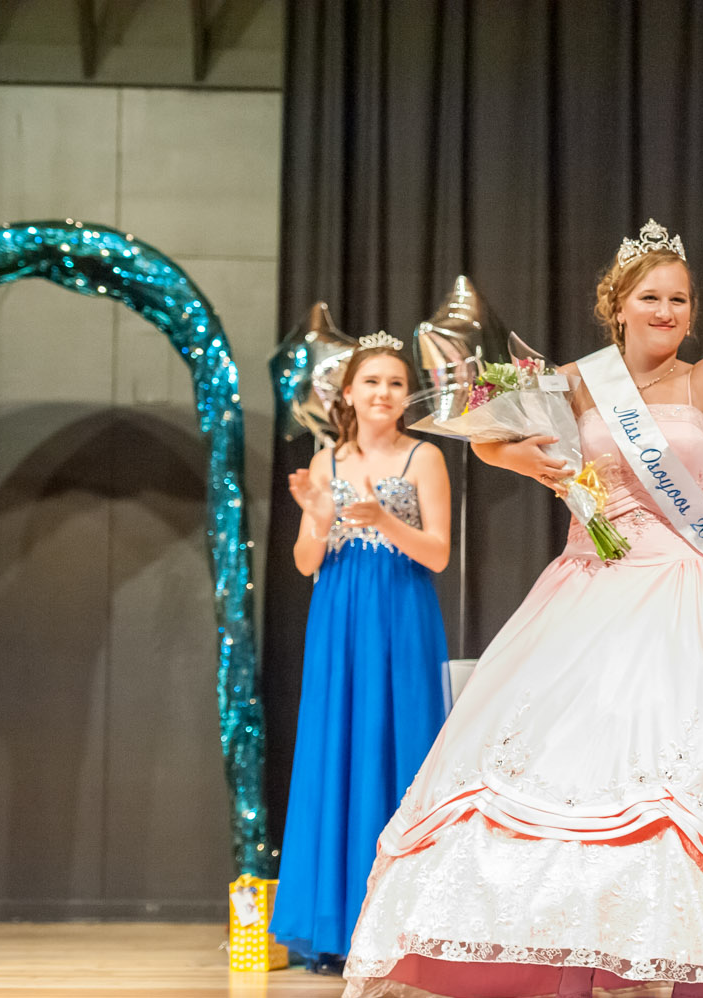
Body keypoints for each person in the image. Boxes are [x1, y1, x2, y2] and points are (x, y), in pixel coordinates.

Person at [341, 200, 703, 998]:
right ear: (618, 304)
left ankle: (688, 973)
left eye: (681, 299)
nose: (668, 311)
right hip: (590, 594)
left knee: (682, 795)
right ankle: (573, 973)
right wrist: (536, 467)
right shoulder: (581, 380)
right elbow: (481, 427)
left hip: (689, 600)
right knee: (581, 794)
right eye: (652, 296)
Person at [269, 338, 452, 966]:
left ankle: (407, 929)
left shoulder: (425, 457)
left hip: (401, 613)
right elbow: (303, 562)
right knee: (339, 750)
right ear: (346, 393)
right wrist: (320, 517)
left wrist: (381, 518)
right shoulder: (327, 462)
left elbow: (437, 554)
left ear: (409, 395)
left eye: (396, 383)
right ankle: (341, 926)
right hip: (340, 615)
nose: (383, 393)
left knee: (401, 748)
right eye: (371, 381)